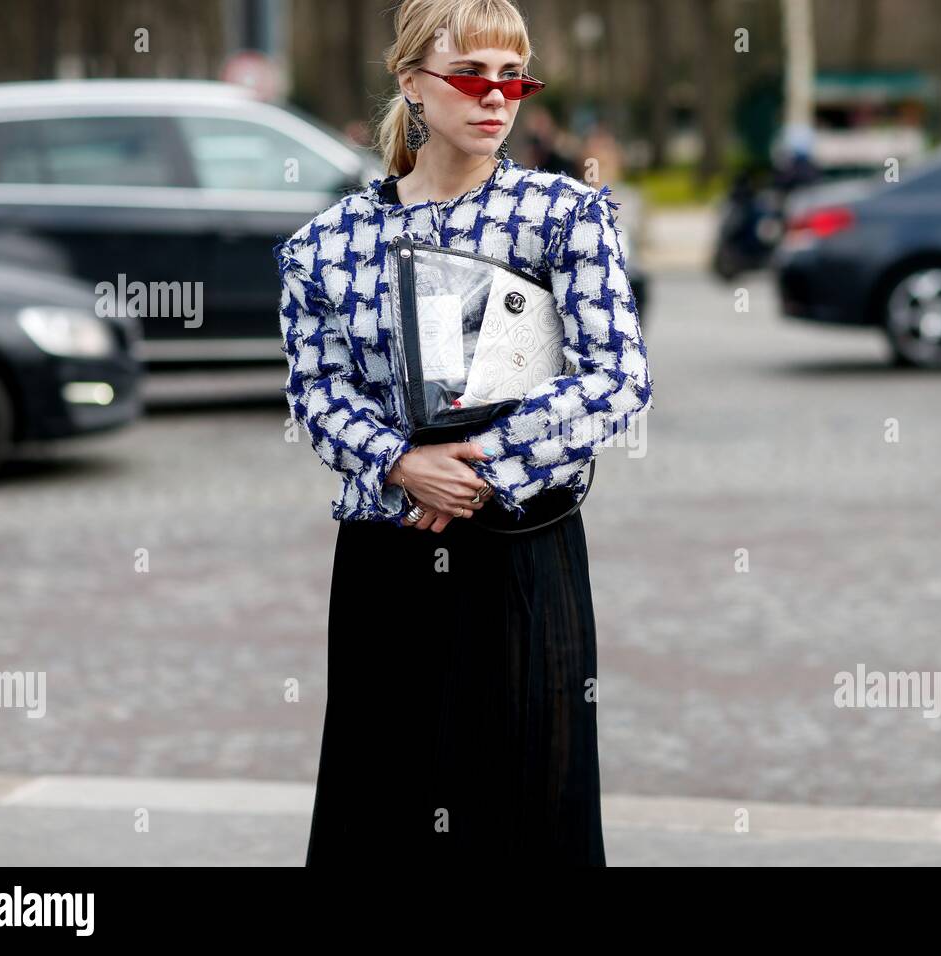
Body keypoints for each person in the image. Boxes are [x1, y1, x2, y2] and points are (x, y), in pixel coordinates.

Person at [273, 0, 653, 866]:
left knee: (532, 799)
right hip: (390, 553)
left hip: (524, 550)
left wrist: (483, 467)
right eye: (471, 75)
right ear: (412, 83)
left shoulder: (564, 215)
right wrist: (400, 462)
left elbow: (618, 376)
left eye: (512, 78)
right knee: (386, 800)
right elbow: (316, 392)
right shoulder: (327, 244)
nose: (495, 97)